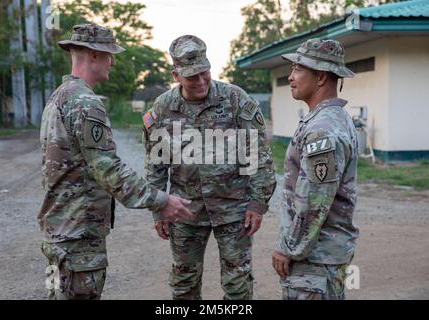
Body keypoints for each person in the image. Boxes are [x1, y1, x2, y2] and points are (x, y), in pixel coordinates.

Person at [39, 24, 192, 300]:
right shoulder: (85, 102)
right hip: (78, 236)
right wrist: (161, 200)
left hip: (62, 231)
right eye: (110, 54)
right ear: (93, 54)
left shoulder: (59, 97)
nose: (112, 60)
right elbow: (107, 169)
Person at [143, 35, 277, 300]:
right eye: (192, 76)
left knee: (238, 285)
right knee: (184, 283)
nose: (201, 81)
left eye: (205, 72)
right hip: (185, 211)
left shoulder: (236, 100)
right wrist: (158, 209)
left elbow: (259, 156)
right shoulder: (163, 109)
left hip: (233, 209)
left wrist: (257, 203)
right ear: (176, 75)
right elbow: (156, 165)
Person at [271, 38, 359, 300]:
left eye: (298, 69)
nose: (290, 77)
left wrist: (288, 248)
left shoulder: (322, 129)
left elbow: (314, 203)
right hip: (322, 255)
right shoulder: (332, 118)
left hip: (315, 259)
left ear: (320, 77)